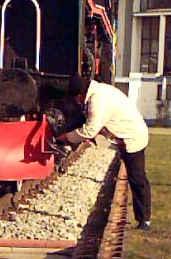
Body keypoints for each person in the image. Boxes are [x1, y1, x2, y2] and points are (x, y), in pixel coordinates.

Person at [61, 74, 153, 231]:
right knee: (137, 178)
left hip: (132, 138)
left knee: (137, 178)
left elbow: (89, 130)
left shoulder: (97, 101)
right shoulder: (100, 90)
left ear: (80, 95)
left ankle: (144, 220)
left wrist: (65, 138)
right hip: (129, 134)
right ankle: (143, 218)